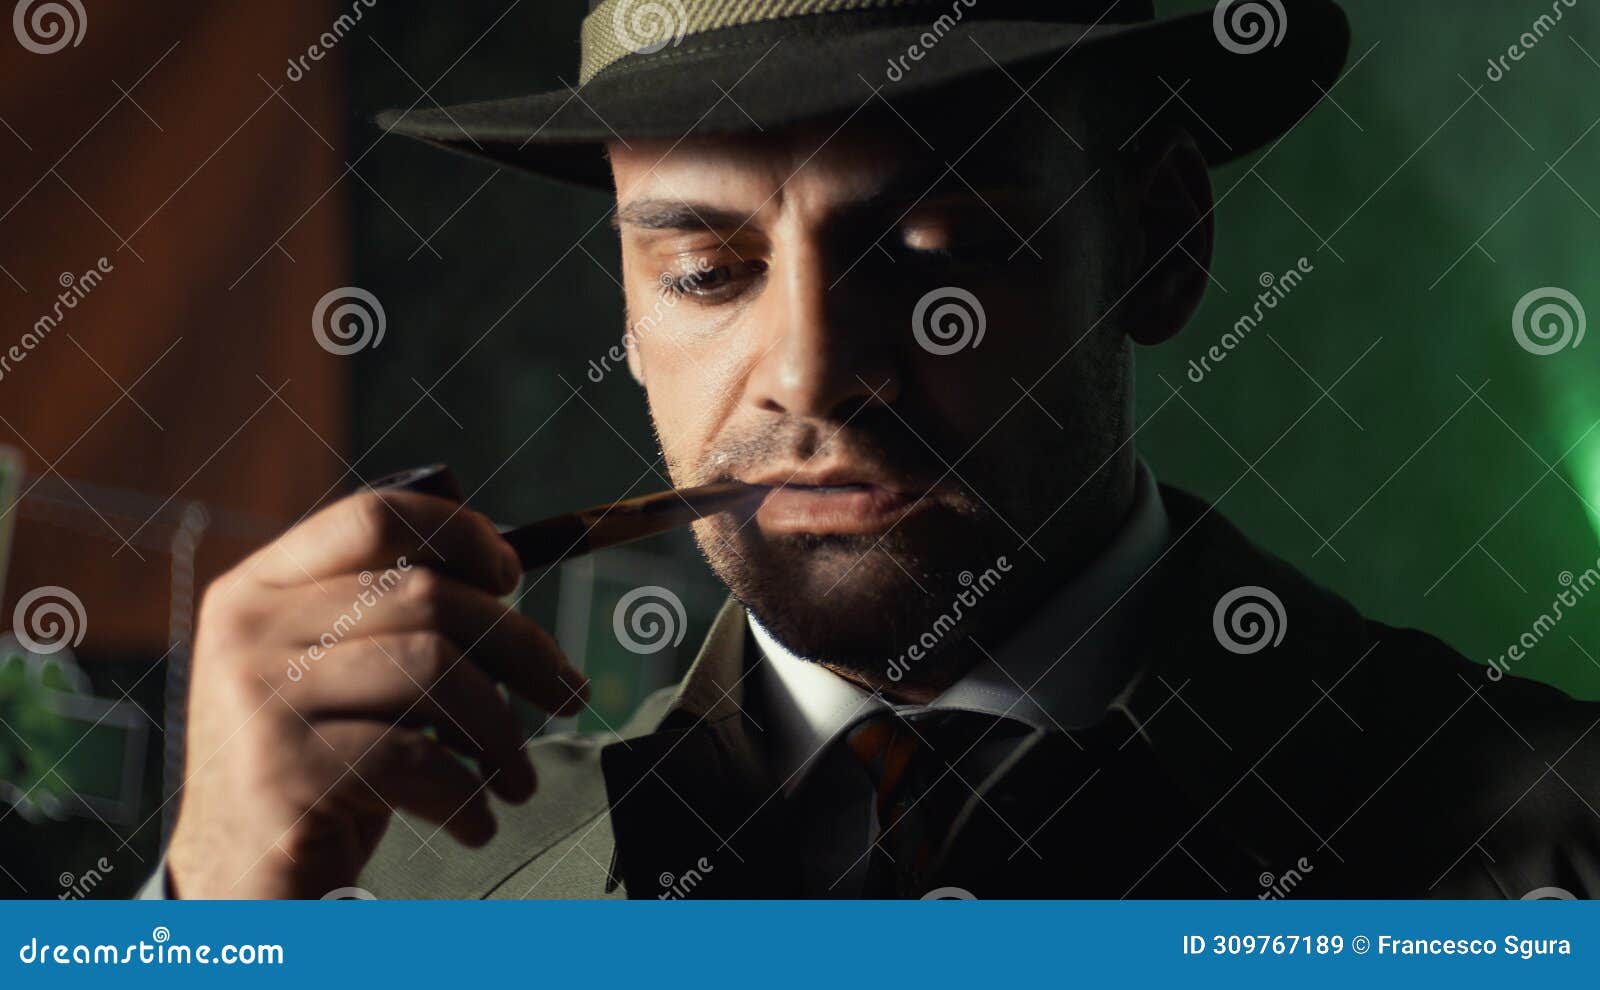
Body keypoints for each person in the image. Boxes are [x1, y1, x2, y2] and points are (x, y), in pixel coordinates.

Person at [144, 0, 1600, 899]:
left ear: (1159, 244)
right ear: (628, 310)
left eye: (940, 248)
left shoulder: (1550, 844)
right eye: (708, 272)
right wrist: (205, 907)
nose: (810, 370)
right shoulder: (389, 888)